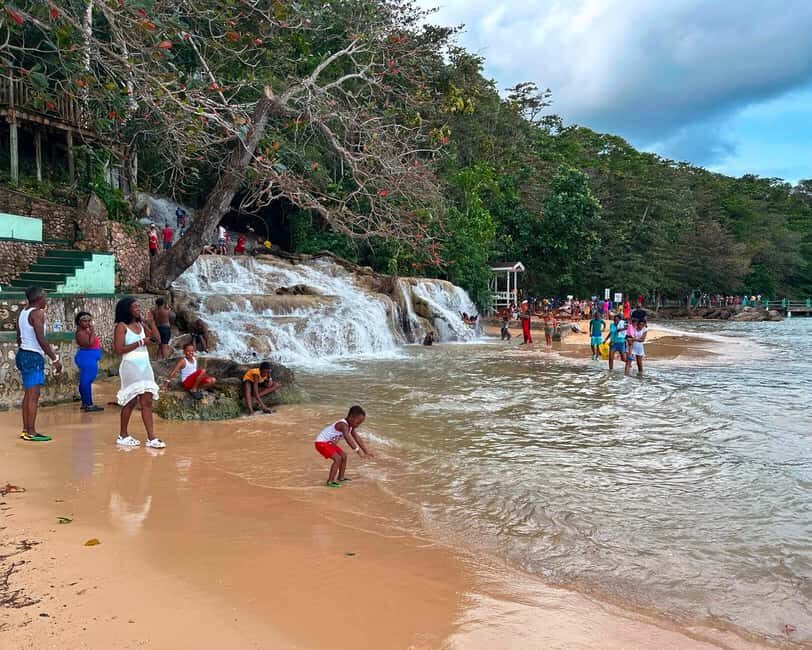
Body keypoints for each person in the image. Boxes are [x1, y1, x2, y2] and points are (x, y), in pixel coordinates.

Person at [113, 297, 165, 448]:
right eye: (135, 307)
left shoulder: (140, 324)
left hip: (145, 366)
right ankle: (123, 435)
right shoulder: (121, 327)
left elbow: (157, 339)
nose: (138, 309)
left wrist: (151, 323)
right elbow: (119, 349)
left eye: (138, 306)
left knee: (147, 401)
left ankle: (152, 438)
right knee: (131, 401)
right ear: (127, 309)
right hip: (130, 366)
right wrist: (141, 342)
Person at [16, 287, 62, 442]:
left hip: (23, 353)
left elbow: (19, 336)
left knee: (28, 394)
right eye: (45, 297)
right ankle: (32, 432)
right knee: (34, 396)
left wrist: (24, 351)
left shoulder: (23, 312)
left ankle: (25, 429)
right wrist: (54, 359)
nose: (46, 300)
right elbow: (41, 339)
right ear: (38, 299)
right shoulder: (37, 313)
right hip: (33, 356)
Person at [314, 405, 371, 487]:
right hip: (321, 442)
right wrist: (358, 451)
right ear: (351, 417)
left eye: (360, 423)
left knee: (344, 456)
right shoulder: (343, 424)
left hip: (329, 443)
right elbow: (348, 439)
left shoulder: (351, 426)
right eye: (357, 422)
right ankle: (330, 481)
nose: (358, 425)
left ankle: (341, 477)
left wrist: (366, 451)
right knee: (338, 459)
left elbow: (357, 438)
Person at [74, 311, 103, 412]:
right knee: (86, 381)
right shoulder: (81, 333)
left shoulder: (85, 331)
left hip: (89, 357)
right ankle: (88, 404)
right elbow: (89, 344)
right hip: (86, 357)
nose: (88, 323)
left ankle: (85, 402)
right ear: (79, 322)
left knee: (87, 380)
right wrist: (93, 331)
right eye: (84, 321)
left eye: (89, 320)